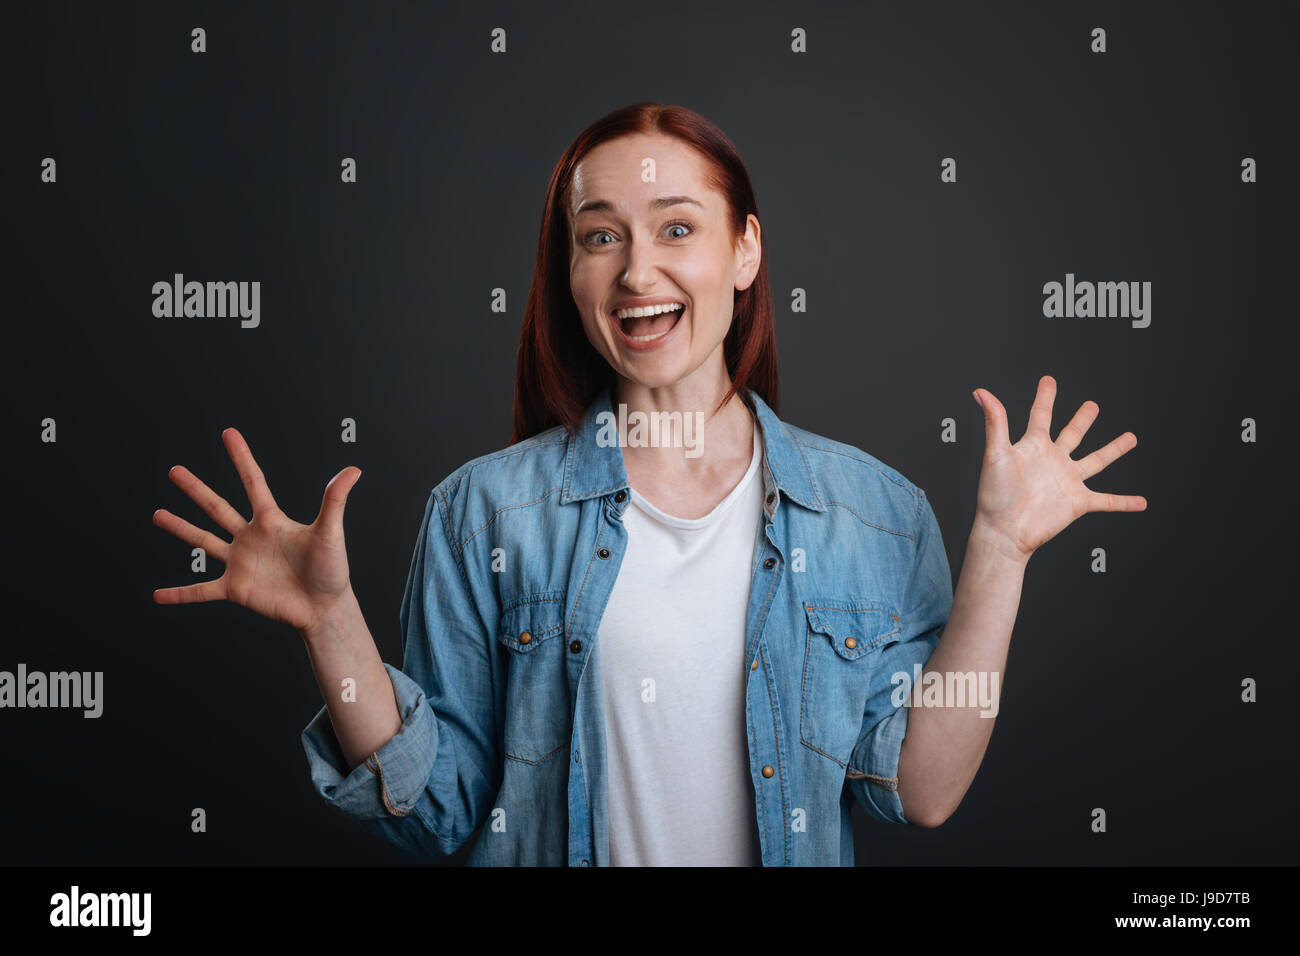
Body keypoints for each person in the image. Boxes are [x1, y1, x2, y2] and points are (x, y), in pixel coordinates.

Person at [152, 102, 1147, 866]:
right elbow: (443, 805)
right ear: (571, 270)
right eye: (600, 235)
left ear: (744, 251)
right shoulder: (483, 511)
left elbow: (921, 790)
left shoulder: (875, 515)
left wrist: (999, 556)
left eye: (677, 228)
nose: (636, 271)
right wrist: (332, 622)